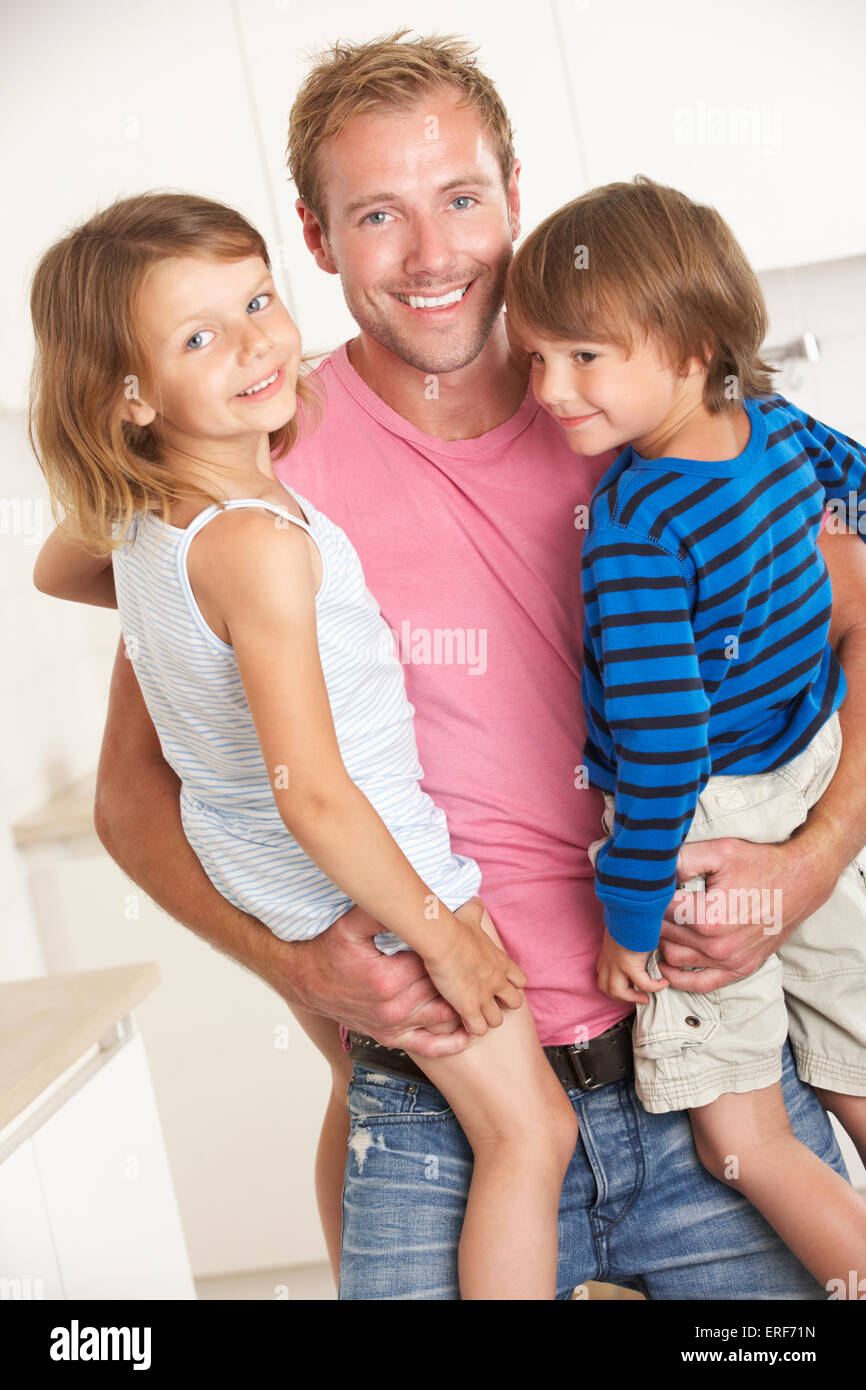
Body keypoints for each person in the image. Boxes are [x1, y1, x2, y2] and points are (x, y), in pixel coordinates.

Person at [61, 32, 866, 1299]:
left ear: (513, 197)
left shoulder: (637, 405)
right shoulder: (254, 467)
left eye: (460, 199)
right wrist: (294, 964)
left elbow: (856, 626)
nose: (431, 254)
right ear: (316, 241)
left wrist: (810, 855)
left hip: (701, 1060)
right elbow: (133, 797)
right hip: (440, 1103)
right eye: (378, 213)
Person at [29, 189, 586, 1301]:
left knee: (361, 1090)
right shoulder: (256, 549)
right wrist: (445, 933)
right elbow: (317, 794)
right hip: (367, 883)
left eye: (256, 300)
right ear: (127, 397)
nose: (255, 342)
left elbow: (60, 566)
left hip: (266, 878)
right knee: (532, 1137)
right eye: (200, 337)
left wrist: (182, 548)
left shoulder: (155, 521)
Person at [504, 175, 866, 1291]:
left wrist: (624, 915)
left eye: (582, 356)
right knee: (855, 1063)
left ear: (690, 342)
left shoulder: (631, 523)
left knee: (738, 1139)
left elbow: (661, 745)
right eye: (533, 358)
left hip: (704, 824)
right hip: (810, 772)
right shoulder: (775, 432)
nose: (549, 391)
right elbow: (858, 483)